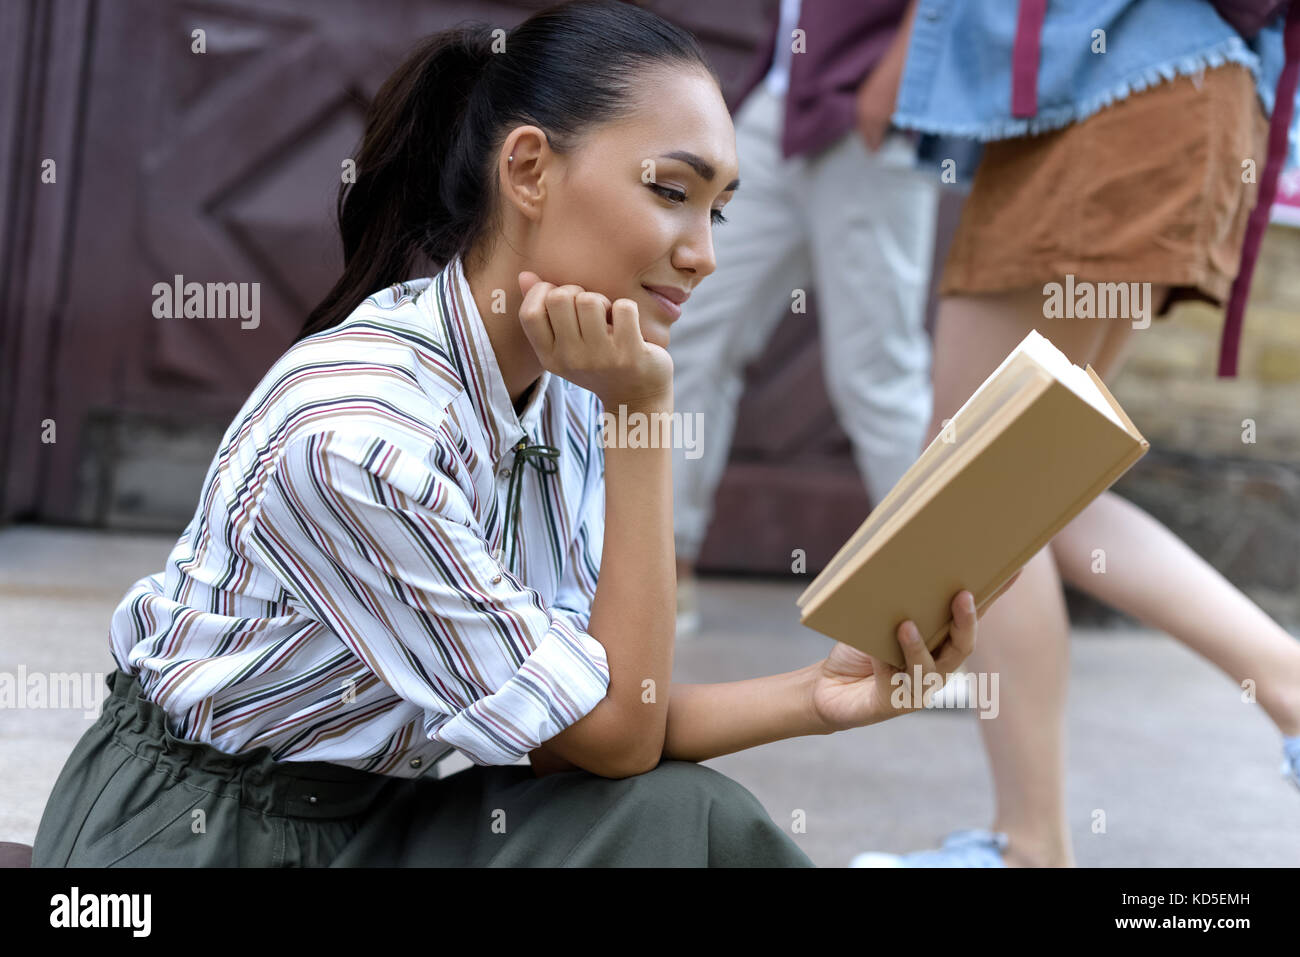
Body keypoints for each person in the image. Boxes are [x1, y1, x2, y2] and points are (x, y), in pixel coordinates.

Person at [31, 0, 993, 868]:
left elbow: (589, 716)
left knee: (676, 813)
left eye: (721, 209)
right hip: (196, 838)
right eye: (671, 191)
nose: (704, 254)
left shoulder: (562, 388)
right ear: (529, 168)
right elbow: (616, 731)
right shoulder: (360, 440)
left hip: (371, 815)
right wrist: (645, 420)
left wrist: (820, 697)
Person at [852, 0, 1300, 867]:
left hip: (1121, 104)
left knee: (974, 485)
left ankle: (1030, 847)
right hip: (1159, 99)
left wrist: (897, 56)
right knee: (1018, 482)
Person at [672, 0, 939, 636]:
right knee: (687, 332)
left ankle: (938, 613)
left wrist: (899, 70)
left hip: (869, 101)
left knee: (878, 374)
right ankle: (665, 569)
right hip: (782, 101)